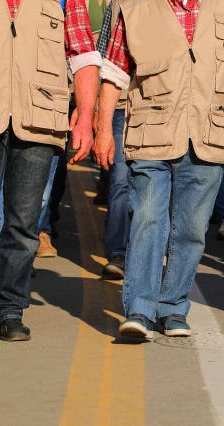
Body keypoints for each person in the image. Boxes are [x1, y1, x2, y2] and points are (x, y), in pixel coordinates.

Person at [93, 0, 224, 340]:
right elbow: (114, 72)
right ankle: (139, 308)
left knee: (192, 229)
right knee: (148, 218)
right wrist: (104, 129)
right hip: (152, 132)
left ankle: (173, 307)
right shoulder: (136, 8)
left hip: (209, 132)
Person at [0, 0, 100, 341]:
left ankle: (9, 309)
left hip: (40, 120)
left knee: (24, 222)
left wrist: (85, 117)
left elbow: (83, 55)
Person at [95, 0, 129, 279]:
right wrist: (98, 112)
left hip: (159, 110)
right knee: (120, 180)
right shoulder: (119, 3)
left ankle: (148, 251)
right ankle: (117, 252)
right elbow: (102, 55)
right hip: (120, 106)